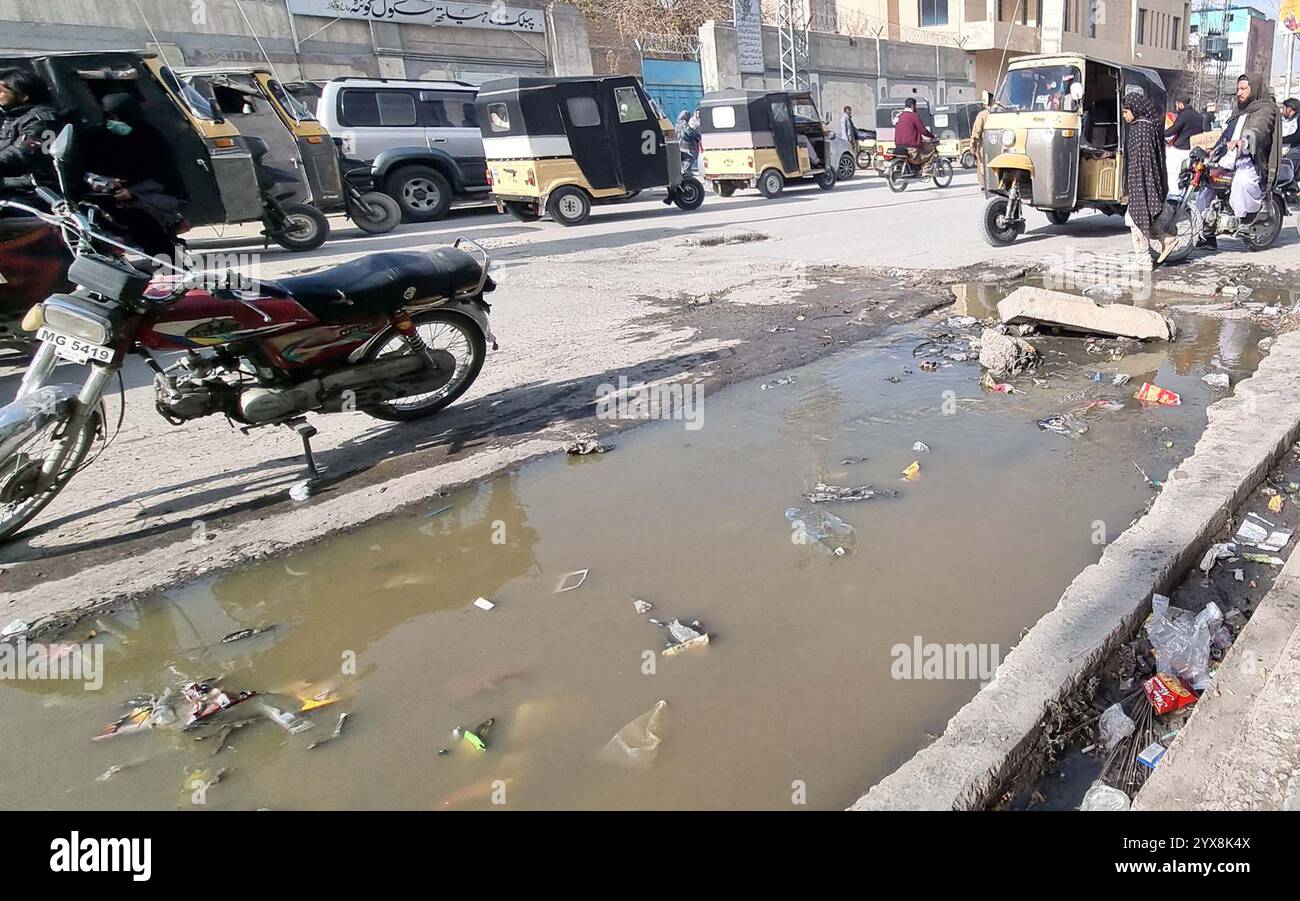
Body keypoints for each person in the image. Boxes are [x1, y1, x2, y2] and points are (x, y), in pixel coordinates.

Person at [86, 93, 187, 257]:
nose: (115, 121)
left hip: (147, 197)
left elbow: (164, 174)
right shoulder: (96, 137)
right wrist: (107, 184)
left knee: (144, 223)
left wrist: (132, 191)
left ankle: (172, 268)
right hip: (105, 196)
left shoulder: (150, 138)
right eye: (110, 117)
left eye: (120, 117)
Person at [1195, 73, 1281, 247]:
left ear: (1254, 89)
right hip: (1229, 159)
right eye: (1238, 89)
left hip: (1251, 161)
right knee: (1205, 187)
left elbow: (1260, 130)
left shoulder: (1265, 109)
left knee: (1242, 183)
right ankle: (1207, 235)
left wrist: (1244, 141)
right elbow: (1227, 135)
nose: (1239, 93)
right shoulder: (1239, 111)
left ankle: (1246, 218)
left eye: (1243, 89)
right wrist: (1213, 151)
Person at [1121, 92, 1177, 265]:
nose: (1124, 115)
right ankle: (1165, 239)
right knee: (1141, 218)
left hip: (1143, 182)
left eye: (1126, 111)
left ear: (1135, 109)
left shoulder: (1142, 129)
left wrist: (1140, 185)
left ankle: (1144, 261)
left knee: (1134, 219)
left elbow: (1143, 161)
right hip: (1144, 181)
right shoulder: (1147, 125)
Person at [0, 68, 61, 191]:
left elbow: (23, 155)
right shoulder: (9, 117)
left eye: (1, 91)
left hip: (34, 189)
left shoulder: (44, 121)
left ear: (23, 96)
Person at [1164, 95, 1202, 193]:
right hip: (1194, 150)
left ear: (1180, 104)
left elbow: (1174, 130)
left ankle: (1174, 194)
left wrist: (1161, 133)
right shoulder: (1198, 115)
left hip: (1180, 150)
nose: (1176, 107)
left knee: (1173, 173)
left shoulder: (1183, 115)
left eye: (1176, 104)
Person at [894, 97, 935, 165]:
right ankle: (926, 171)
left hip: (899, 146)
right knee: (930, 149)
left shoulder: (899, 116)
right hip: (911, 147)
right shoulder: (914, 116)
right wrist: (932, 136)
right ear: (913, 106)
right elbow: (923, 131)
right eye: (916, 106)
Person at [970, 98, 992, 190]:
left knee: (982, 166)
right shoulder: (1000, 114)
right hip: (998, 145)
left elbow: (976, 132)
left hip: (984, 145)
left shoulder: (982, 115)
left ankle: (983, 185)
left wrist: (973, 146)